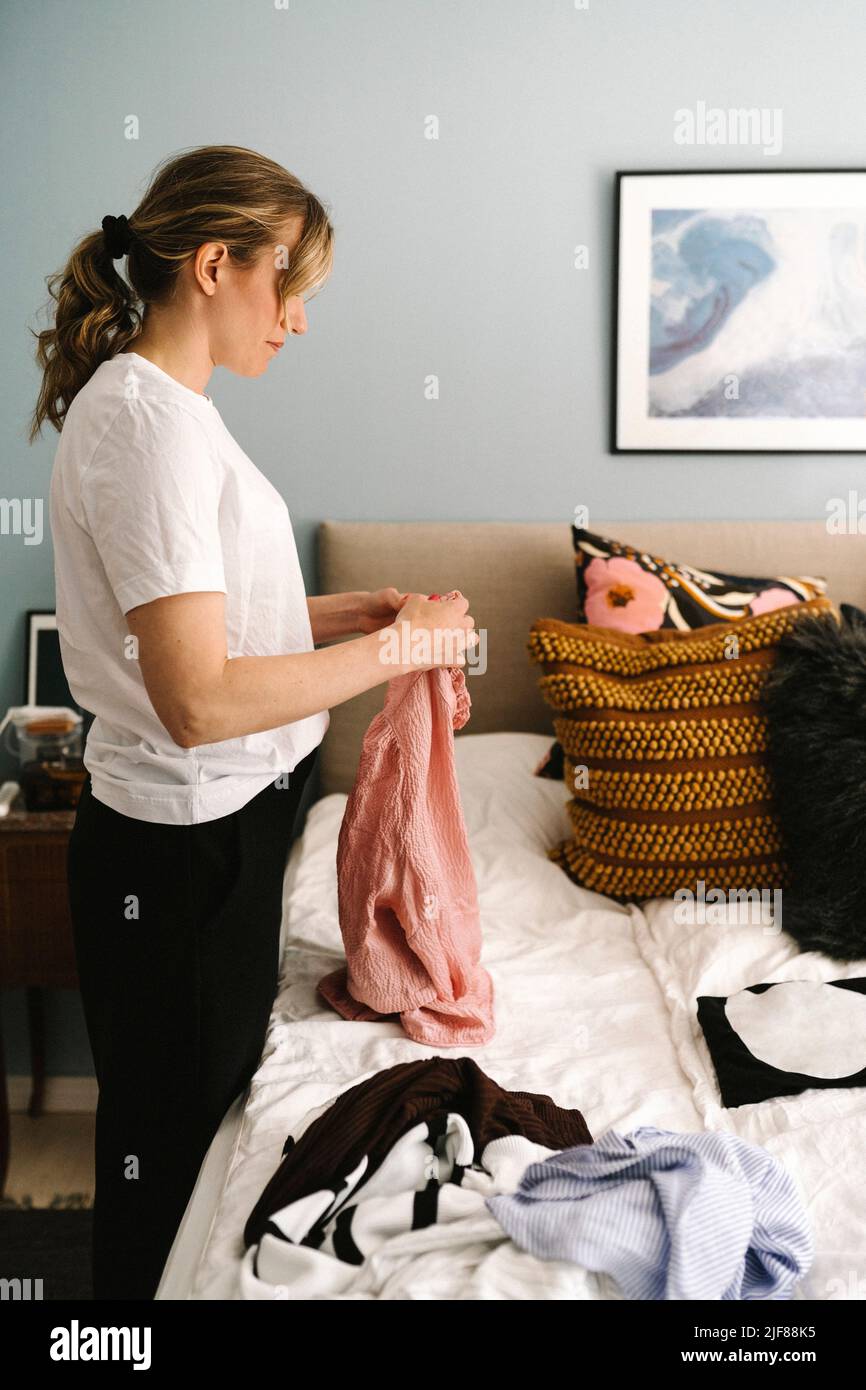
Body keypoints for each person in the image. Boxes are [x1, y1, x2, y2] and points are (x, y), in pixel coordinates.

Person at [31, 143, 477, 1300]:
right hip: (180, 854)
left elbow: (207, 625)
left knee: (186, 1161)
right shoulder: (145, 425)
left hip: (214, 839)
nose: (299, 320)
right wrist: (398, 651)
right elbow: (198, 699)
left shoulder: (168, 411)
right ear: (214, 262)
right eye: (291, 283)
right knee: (169, 1175)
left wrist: (347, 614)